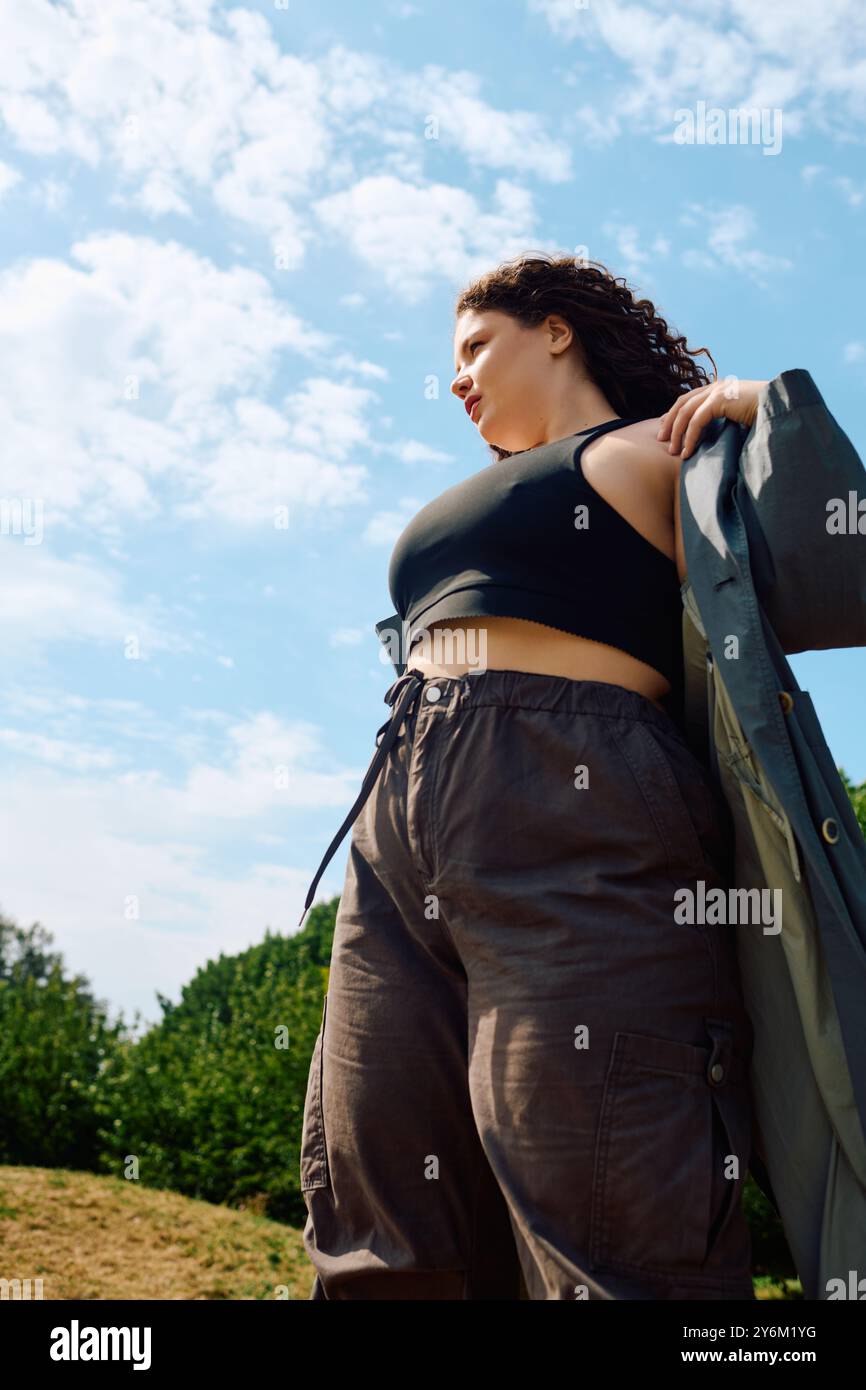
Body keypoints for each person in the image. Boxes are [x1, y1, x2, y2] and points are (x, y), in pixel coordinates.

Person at [297, 252, 766, 1300]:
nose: (456, 380)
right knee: (378, 1163)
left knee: (595, 1170)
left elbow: (845, 563)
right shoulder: (481, 484)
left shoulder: (667, 445)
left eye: (473, 347)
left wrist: (764, 405)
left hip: (573, 785)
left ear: (554, 329)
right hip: (402, 803)